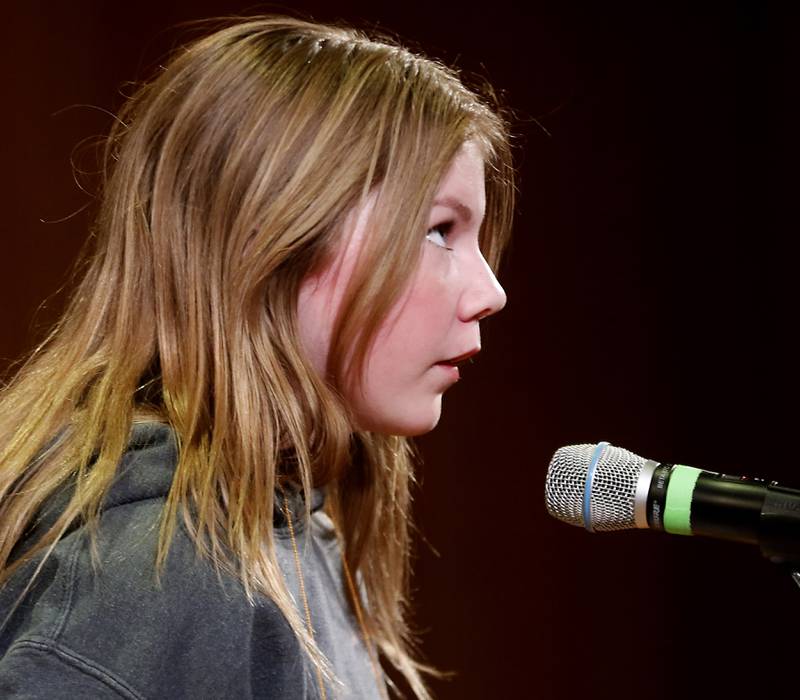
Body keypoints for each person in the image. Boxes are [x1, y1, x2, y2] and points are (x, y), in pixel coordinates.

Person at [0, 14, 513, 699]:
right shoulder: (158, 577)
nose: (491, 291)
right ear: (274, 244)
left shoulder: (293, 535)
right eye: (439, 229)